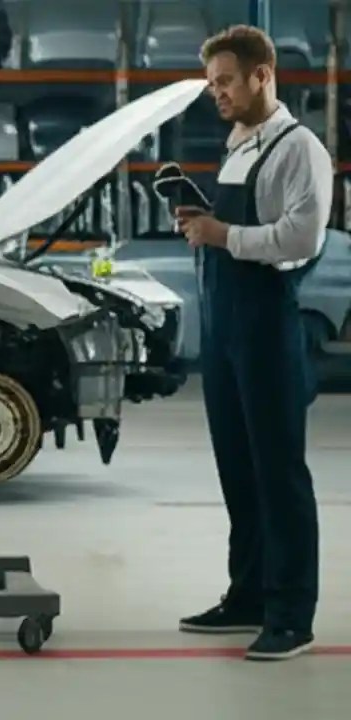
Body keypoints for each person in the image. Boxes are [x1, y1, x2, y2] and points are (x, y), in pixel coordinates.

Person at [175, 24, 333, 661]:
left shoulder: (300, 149)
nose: (218, 93)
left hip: (266, 322)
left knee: (279, 472)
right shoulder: (238, 142)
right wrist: (199, 224)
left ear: (263, 75)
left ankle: (292, 614)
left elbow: (302, 238)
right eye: (213, 83)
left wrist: (223, 236)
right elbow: (235, 226)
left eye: (227, 81)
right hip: (225, 325)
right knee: (238, 468)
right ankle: (248, 596)